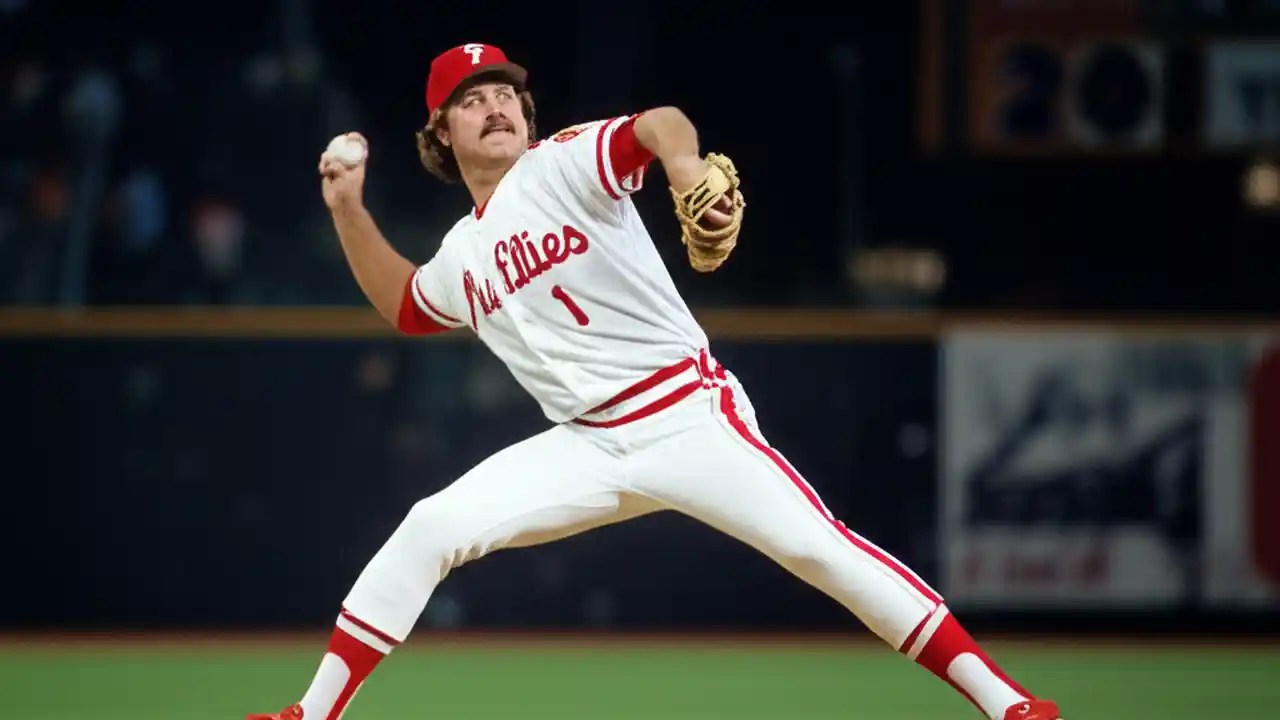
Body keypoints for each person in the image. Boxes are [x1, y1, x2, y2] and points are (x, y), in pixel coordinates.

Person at [249, 43, 1063, 720]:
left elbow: (659, 125)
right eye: (471, 99)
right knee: (430, 525)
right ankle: (311, 714)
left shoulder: (563, 164)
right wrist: (347, 208)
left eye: (506, 93)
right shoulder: (463, 251)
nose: (496, 105)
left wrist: (683, 169)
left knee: (820, 549)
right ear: (440, 134)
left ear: (528, 117)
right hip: (587, 444)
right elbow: (405, 304)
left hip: (687, 414)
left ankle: (1010, 706)